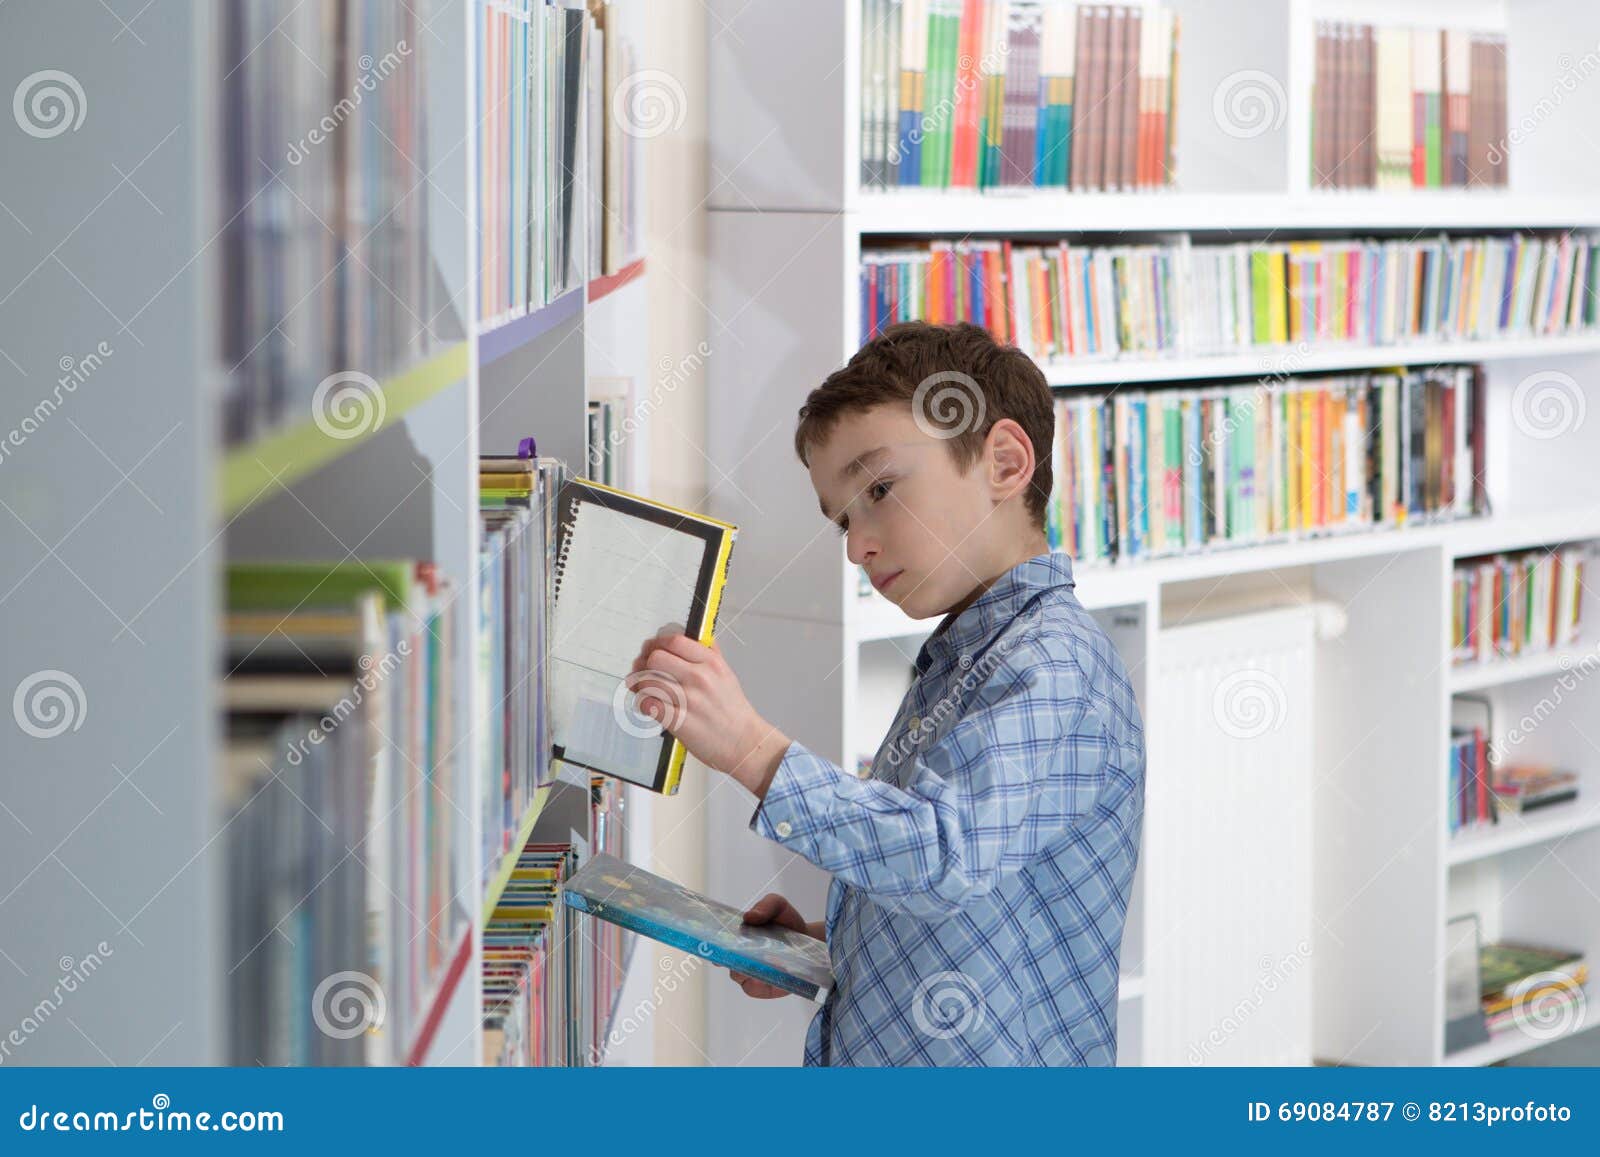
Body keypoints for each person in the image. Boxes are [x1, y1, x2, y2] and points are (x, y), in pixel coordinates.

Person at [629, 321, 1146, 1065]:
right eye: (842, 517)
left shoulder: (1052, 666)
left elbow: (944, 854)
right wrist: (831, 945)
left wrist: (749, 747)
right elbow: (967, 894)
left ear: (1003, 461)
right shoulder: (970, 653)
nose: (855, 543)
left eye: (878, 489)